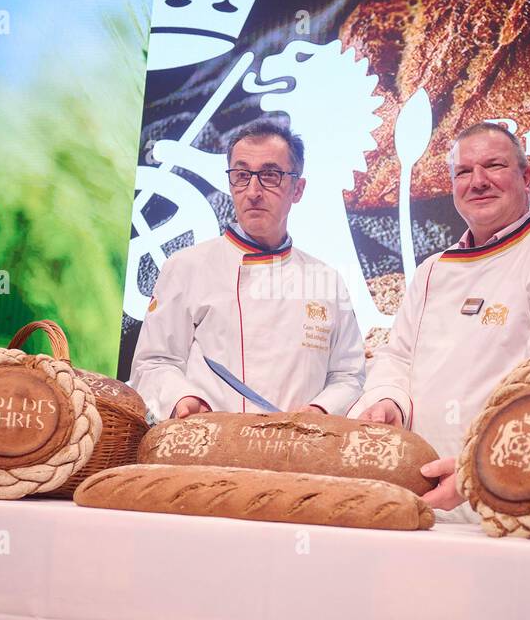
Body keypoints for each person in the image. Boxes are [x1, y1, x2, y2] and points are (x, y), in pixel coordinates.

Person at [352, 122, 530, 521]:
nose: (478, 182)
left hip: (509, 502)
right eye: (463, 172)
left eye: (493, 166)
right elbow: (397, 357)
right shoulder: (430, 272)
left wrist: (480, 472)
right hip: (418, 495)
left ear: (526, 177)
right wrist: (386, 400)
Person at [129, 119, 365, 419]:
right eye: (241, 175)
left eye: (269, 175)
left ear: (298, 189)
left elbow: (349, 376)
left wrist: (320, 410)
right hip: (210, 447)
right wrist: (182, 399)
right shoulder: (186, 268)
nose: (253, 191)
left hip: (297, 450)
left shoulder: (327, 281)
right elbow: (154, 363)